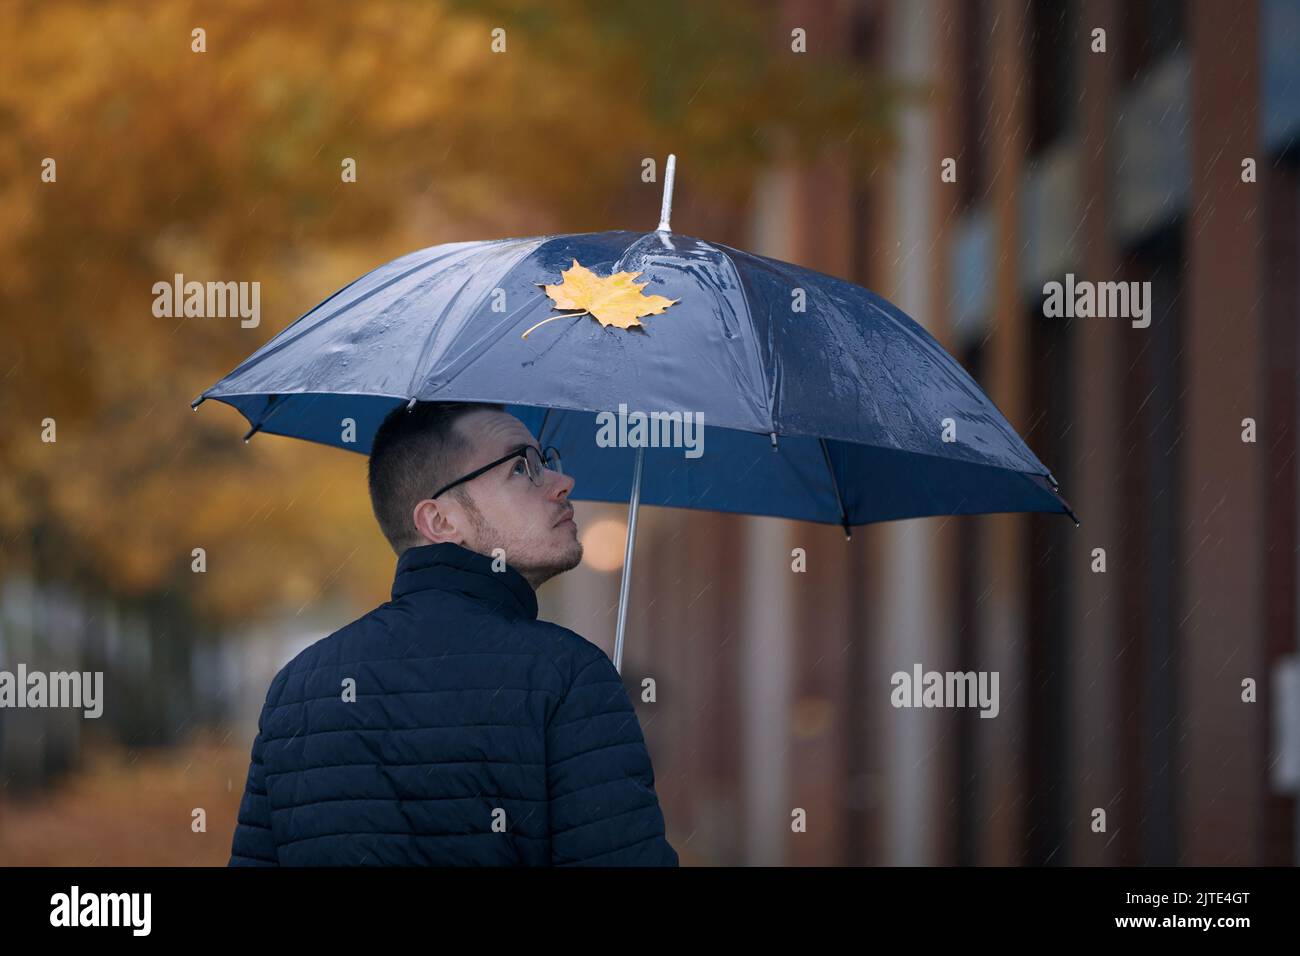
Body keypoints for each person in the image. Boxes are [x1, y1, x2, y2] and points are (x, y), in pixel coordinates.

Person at [228, 401, 678, 866]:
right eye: (522, 468)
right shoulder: (569, 677)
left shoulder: (298, 689)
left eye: (547, 462)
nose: (563, 483)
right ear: (440, 521)